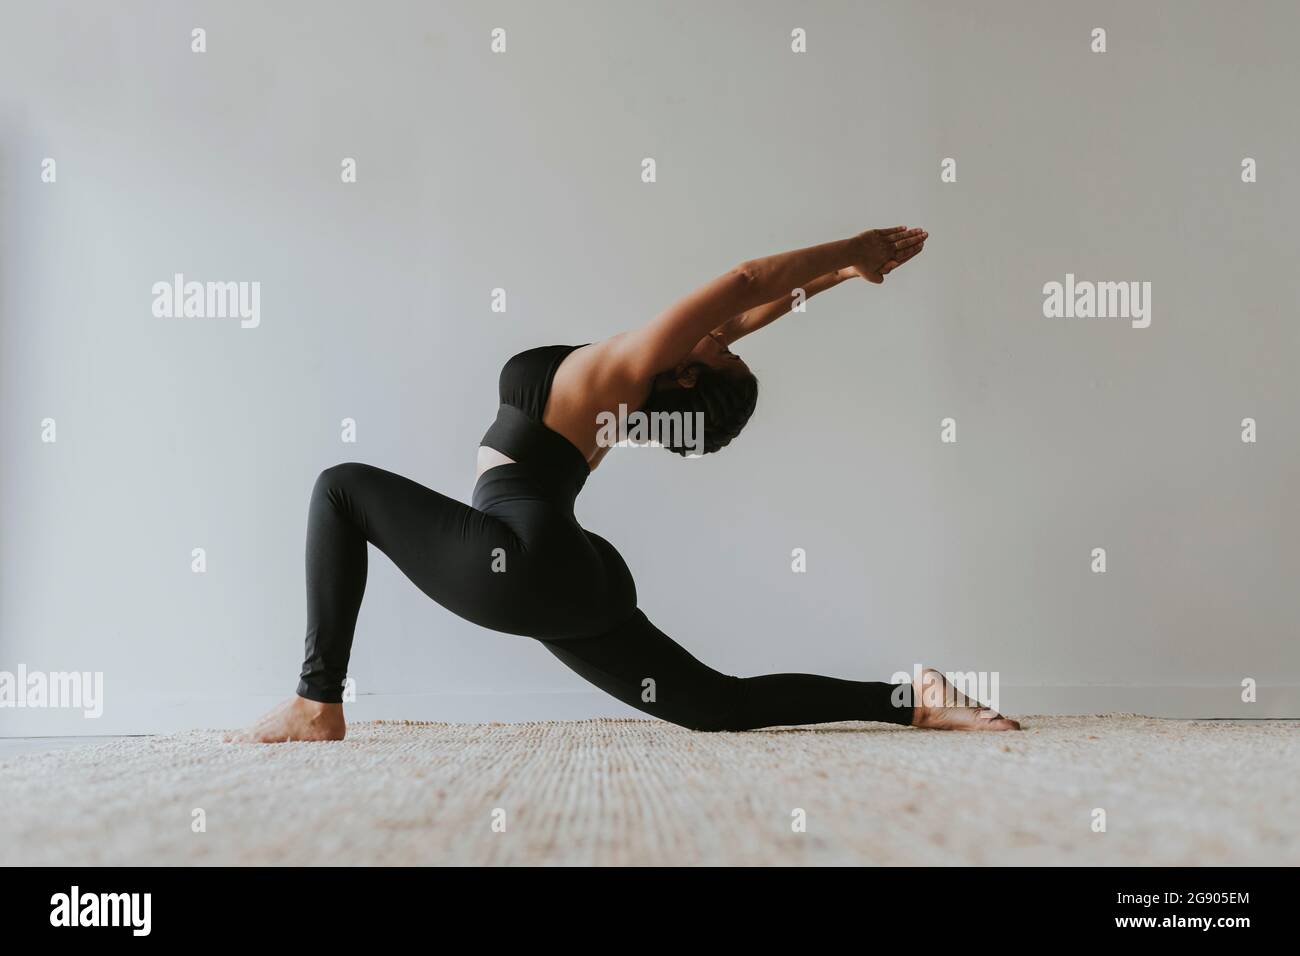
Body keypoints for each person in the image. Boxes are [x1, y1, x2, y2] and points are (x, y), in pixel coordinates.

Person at [227, 226, 1020, 743]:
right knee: (718, 706)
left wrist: (856, 245)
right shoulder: (627, 391)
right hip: (574, 576)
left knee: (339, 487)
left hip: (525, 560)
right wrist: (842, 274)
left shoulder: (628, 372)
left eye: (724, 354)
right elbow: (751, 312)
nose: (726, 338)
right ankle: (912, 699)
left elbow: (745, 281)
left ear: (689, 376)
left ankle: (317, 701)